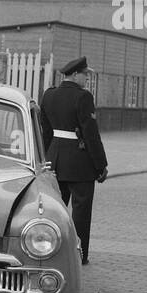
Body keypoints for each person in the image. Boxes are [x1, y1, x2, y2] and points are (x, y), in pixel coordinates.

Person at [39, 56, 108, 266]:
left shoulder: (49, 95)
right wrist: (101, 165)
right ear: (76, 74)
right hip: (79, 164)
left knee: (53, 210)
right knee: (81, 212)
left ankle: (47, 250)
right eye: (85, 75)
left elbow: (46, 131)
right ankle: (78, 255)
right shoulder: (83, 97)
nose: (86, 79)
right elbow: (91, 134)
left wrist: (46, 158)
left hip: (55, 159)